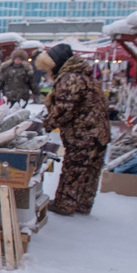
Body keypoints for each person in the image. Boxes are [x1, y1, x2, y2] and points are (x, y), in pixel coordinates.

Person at [36, 43, 110, 216]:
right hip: (99, 133)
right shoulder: (85, 76)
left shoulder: (70, 78)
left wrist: (46, 124)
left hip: (83, 133)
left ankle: (65, 205)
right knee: (90, 172)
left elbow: (64, 109)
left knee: (74, 170)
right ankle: (83, 204)